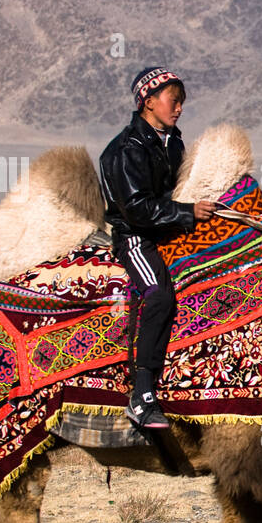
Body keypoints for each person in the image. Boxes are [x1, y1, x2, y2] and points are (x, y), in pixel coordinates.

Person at [98, 66, 218, 428]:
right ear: (148, 102)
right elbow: (136, 209)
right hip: (136, 236)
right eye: (173, 100)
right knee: (159, 295)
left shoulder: (173, 142)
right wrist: (187, 212)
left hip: (168, 229)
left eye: (182, 102)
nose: (179, 108)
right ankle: (142, 393)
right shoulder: (125, 149)